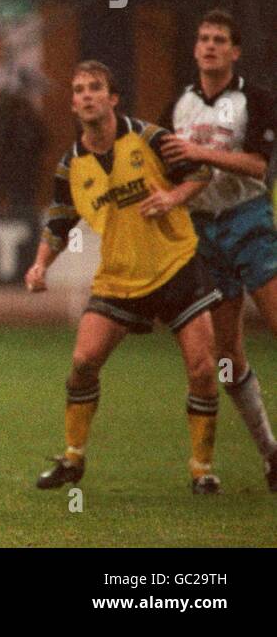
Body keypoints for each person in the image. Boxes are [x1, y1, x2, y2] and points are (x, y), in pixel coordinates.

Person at [26, 61, 223, 493]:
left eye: (96, 87)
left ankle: (202, 469)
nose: (87, 95)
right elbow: (59, 221)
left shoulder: (150, 137)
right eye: (79, 90)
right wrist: (41, 264)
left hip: (176, 266)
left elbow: (200, 172)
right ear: (74, 104)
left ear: (112, 98)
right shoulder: (71, 165)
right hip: (119, 278)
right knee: (82, 363)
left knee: (204, 369)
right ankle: (73, 458)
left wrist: (172, 198)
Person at [159, 9, 277, 489]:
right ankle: (270, 452)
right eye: (203, 38)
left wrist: (200, 154)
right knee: (227, 354)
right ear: (195, 49)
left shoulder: (257, 100)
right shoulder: (178, 107)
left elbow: (258, 167)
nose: (209, 45)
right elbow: (173, 170)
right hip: (203, 231)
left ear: (235, 50)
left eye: (219, 39)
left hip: (248, 222)